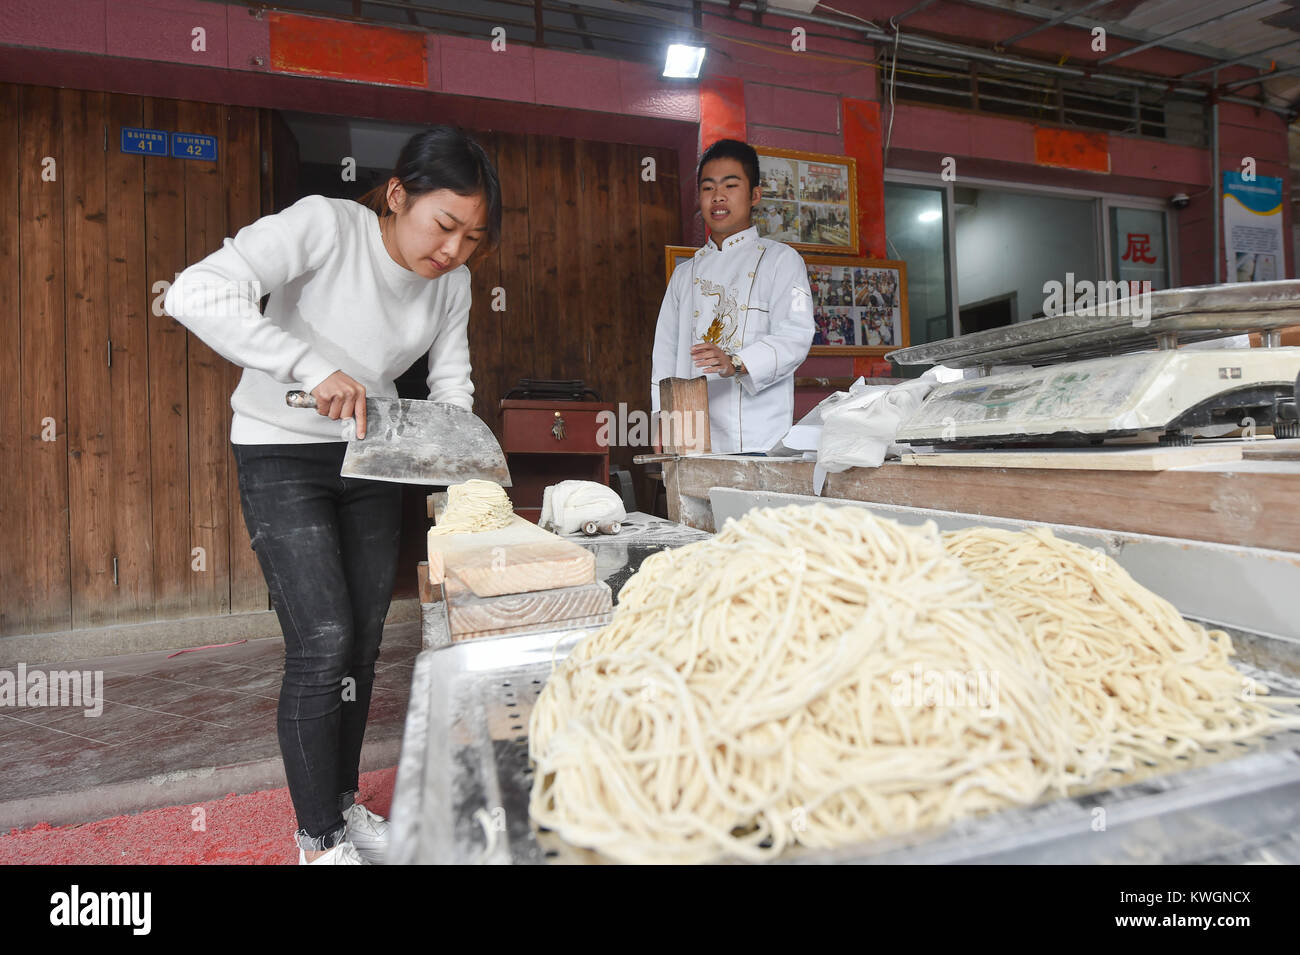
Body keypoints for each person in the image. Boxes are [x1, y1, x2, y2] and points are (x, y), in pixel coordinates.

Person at [163, 127, 501, 865]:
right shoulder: (323, 225)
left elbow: (450, 388)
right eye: (444, 226)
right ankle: (317, 840)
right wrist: (309, 366)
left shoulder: (452, 283)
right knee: (321, 641)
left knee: (366, 640)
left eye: (472, 238)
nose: (452, 251)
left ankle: (342, 806)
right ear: (397, 195)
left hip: (373, 454)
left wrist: (469, 487)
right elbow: (196, 291)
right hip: (279, 450)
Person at [651, 139, 813, 454]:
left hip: (757, 435)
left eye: (730, 185)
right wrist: (662, 420)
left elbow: (796, 334)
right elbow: (664, 357)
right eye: (708, 188)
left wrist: (737, 362)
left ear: (755, 195)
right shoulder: (684, 275)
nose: (718, 197)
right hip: (691, 435)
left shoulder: (781, 260)